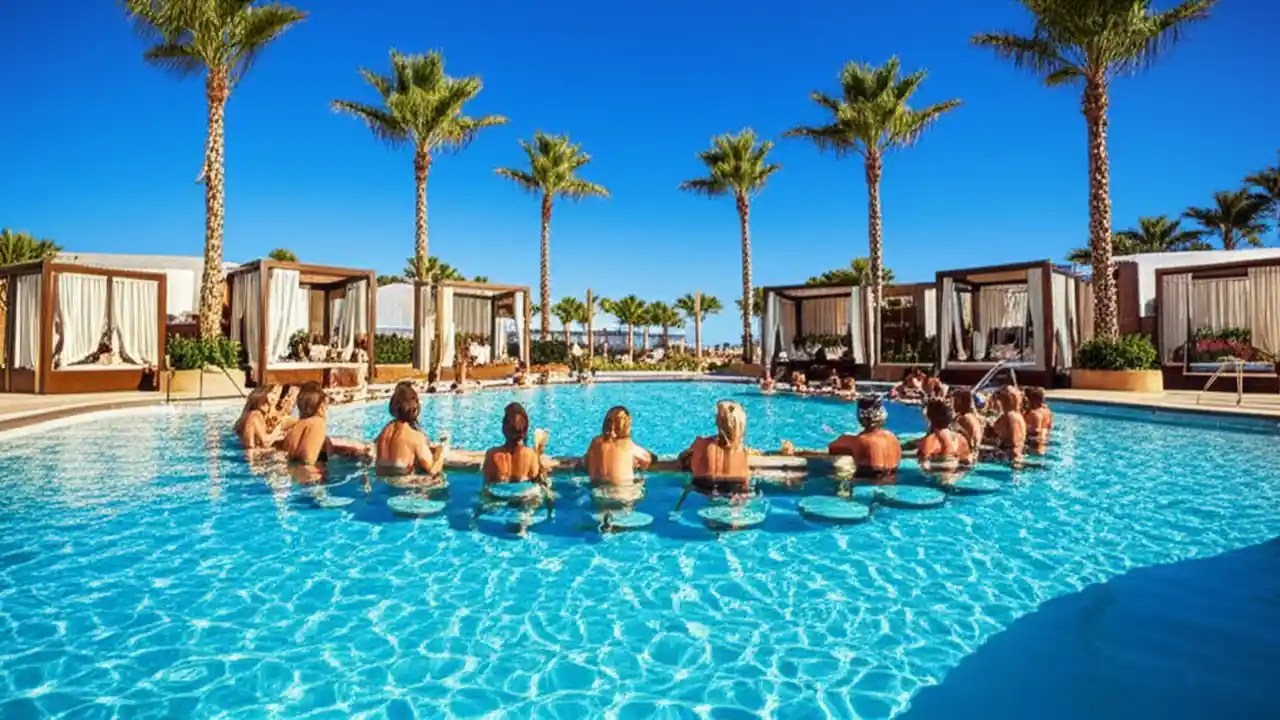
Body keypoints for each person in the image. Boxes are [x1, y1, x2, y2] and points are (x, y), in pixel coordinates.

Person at [276, 382, 373, 467]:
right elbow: (308, 461)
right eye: (326, 404)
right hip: (309, 478)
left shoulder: (298, 426)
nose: (327, 408)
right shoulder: (318, 423)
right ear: (320, 406)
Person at [373, 382, 449, 476]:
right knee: (438, 479)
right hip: (404, 483)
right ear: (414, 408)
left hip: (381, 477)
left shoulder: (384, 432)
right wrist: (441, 450)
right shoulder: (416, 437)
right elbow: (433, 470)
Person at [678, 400, 751, 496]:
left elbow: (681, 459)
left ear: (717, 421)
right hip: (738, 491)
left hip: (703, 489)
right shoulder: (743, 452)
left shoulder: (701, 444)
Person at [827, 396, 901, 479]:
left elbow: (832, 447)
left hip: (865, 487)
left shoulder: (859, 441)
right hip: (891, 486)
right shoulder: (893, 438)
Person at [482, 402, 551, 483]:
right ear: (525, 429)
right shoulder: (531, 455)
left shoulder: (491, 455)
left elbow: (486, 485)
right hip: (525, 494)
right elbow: (540, 482)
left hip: (498, 494)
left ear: (504, 429)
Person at [584, 406, 654, 485]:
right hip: (622, 493)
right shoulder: (628, 445)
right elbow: (647, 459)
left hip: (597, 492)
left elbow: (586, 462)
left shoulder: (595, 442)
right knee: (641, 481)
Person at [917, 397, 974, 470]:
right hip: (958, 472)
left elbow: (923, 464)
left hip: (938, 473)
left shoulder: (930, 440)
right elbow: (968, 461)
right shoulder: (961, 438)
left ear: (930, 419)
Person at [988, 386, 1027, 463]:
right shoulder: (1016, 415)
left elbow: (1014, 443)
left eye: (1002, 397)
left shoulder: (1010, 416)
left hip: (1010, 458)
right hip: (1013, 454)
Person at [1022, 386, 1053, 453]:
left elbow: (1036, 430)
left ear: (1033, 399)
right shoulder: (1048, 411)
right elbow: (1050, 427)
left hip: (1035, 442)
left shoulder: (1034, 413)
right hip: (1045, 439)